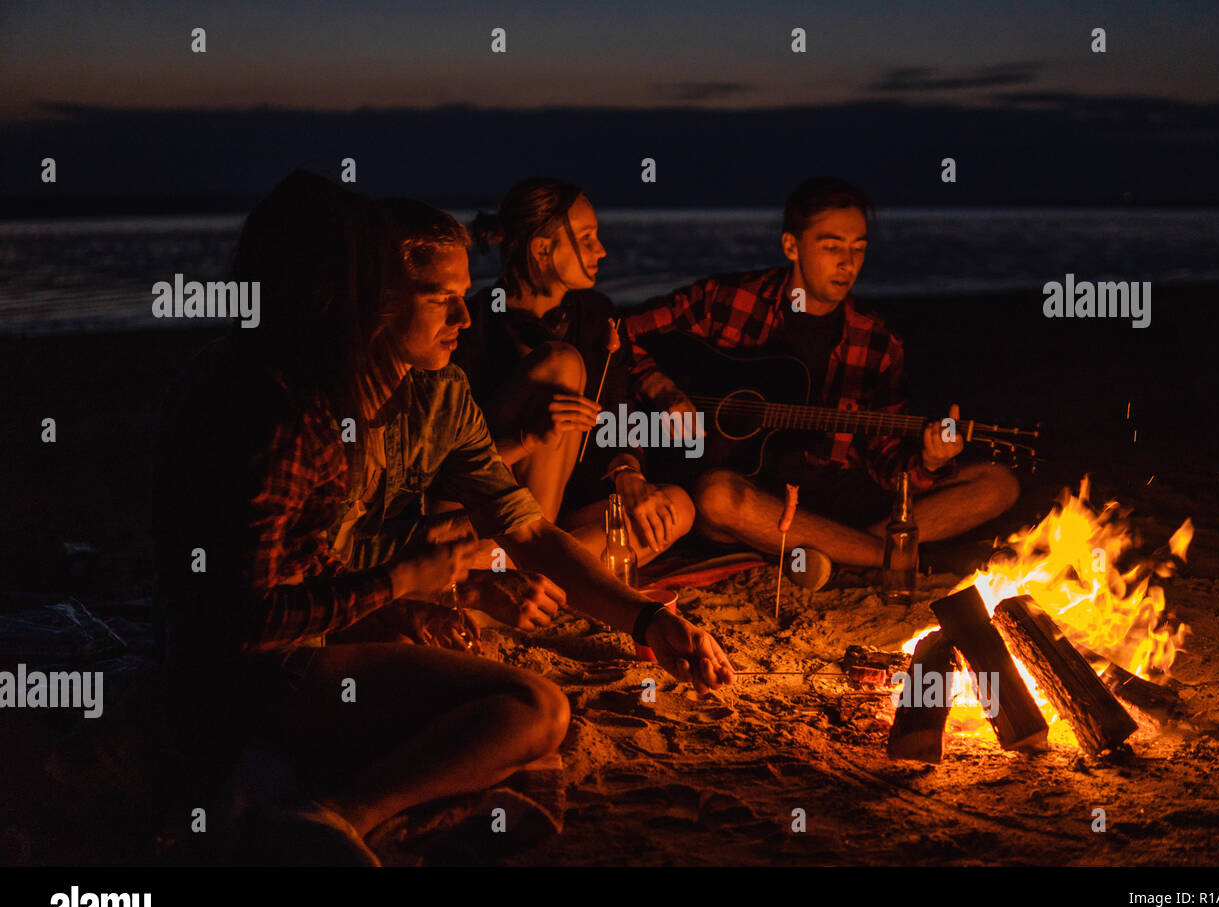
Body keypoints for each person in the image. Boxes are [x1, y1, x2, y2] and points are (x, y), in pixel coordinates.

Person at [153, 172, 733, 866]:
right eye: (443, 302)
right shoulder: (290, 410)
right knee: (533, 711)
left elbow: (526, 530)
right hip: (263, 670)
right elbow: (244, 618)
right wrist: (406, 584)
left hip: (332, 626)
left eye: (466, 300)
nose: (466, 320)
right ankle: (330, 815)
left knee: (495, 679)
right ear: (369, 302)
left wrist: (647, 620)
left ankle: (300, 790)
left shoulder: (434, 393)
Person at [622, 176, 1020, 572]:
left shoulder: (878, 341)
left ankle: (849, 551)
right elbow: (619, 333)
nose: (848, 263)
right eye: (831, 247)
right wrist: (663, 390)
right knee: (716, 497)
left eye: (858, 248)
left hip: (835, 501)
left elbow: (887, 464)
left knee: (997, 483)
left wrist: (930, 462)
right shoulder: (729, 300)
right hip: (753, 498)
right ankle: (883, 556)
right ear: (791, 246)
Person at [451, 179, 693, 567]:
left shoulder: (596, 314)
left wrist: (627, 470)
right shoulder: (476, 323)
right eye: (586, 238)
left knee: (675, 507)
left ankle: (543, 570)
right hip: (503, 512)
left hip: (569, 513)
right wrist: (528, 437)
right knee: (561, 362)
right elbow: (461, 454)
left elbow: (617, 409)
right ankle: (547, 559)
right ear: (543, 249)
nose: (602, 250)